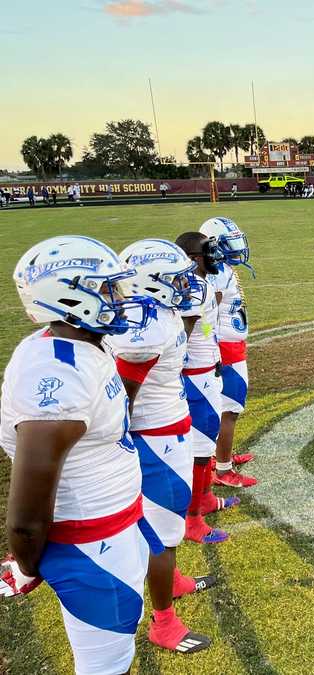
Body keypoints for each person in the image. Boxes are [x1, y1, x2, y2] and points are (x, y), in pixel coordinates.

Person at [1, 236, 158, 675]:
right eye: (106, 288)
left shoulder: (79, 345)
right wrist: (28, 564)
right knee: (106, 666)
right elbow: (26, 511)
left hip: (111, 526)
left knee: (118, 645)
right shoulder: (55, 375)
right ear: (69, 294)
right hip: (90, 541)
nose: (120, 299)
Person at [108, 239, 215, 654]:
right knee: (162, 531)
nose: (184, 284)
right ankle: (163, 622)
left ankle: (171, 583)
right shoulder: (145, 327)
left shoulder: (155, 314)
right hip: (154, 438)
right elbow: (124, 400)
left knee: (165, 524)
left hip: (168, 429)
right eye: (174, 278)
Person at [174, 232, 232, 544]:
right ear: (194, 258)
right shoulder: (192, 289)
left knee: (206, 444)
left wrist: (216, 355)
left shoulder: (203, 286)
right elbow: (180, 338)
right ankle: (192, 518)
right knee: (199, 451)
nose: (214, 257)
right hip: (195, 378)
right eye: (207, 252)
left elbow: (204, 327)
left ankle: (205, 498)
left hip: (207, 371)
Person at [200, 217, 257, 488]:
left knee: (226, 407)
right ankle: (223, 469)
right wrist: (214, 348)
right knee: (230, 409)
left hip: (228, 344)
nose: (236, 248)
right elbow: (209, 311)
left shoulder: (220, 268)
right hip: (226, 348)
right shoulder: (218, 272)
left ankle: (219, 456)